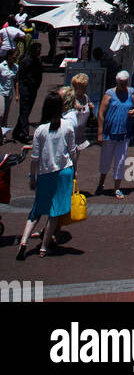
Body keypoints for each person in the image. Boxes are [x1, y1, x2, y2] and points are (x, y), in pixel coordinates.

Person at [16, 92, 77, 259]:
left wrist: (32, 177)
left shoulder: (40, 130)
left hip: (45, 174)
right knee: (54, 212)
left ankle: (23, 241)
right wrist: (75, 170)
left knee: (36, 210)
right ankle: (44, 247)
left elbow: (34, 158)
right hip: (63, 171)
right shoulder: (67, 126)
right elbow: (73, 151)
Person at [96, 71, 134, 198]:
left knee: (120, 161)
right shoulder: (109, 93)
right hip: (109, 132)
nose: (123, 85)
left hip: (124, 132)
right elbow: (101, 113)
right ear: (117, 82)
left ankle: (117, 187)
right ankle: (101, 183)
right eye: (121, 83)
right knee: (106, 159)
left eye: (125, 83)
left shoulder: (131, 92)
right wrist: (100, 132)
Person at [13, 43, 43, 141]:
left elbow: (39, 75)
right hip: (25, 89)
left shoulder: (38, 61)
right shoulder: (26, 61)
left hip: (33, 89)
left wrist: (37, 86)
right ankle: (25, 133)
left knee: (26, 111)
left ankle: (16, 132)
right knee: (24, 111)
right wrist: (20, 89)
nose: (39, 52)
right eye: (38, 50)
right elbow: (20, 75)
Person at [0, 46, 18, 128]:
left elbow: (16, 81)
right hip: (1, 92)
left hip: (9, 93)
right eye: (14, 57)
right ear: (9, 56)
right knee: (1, 113)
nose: (15, 59)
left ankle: (3, 131)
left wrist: (16, 94)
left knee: (6, 115)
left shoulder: (16, 67)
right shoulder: (1, 66)